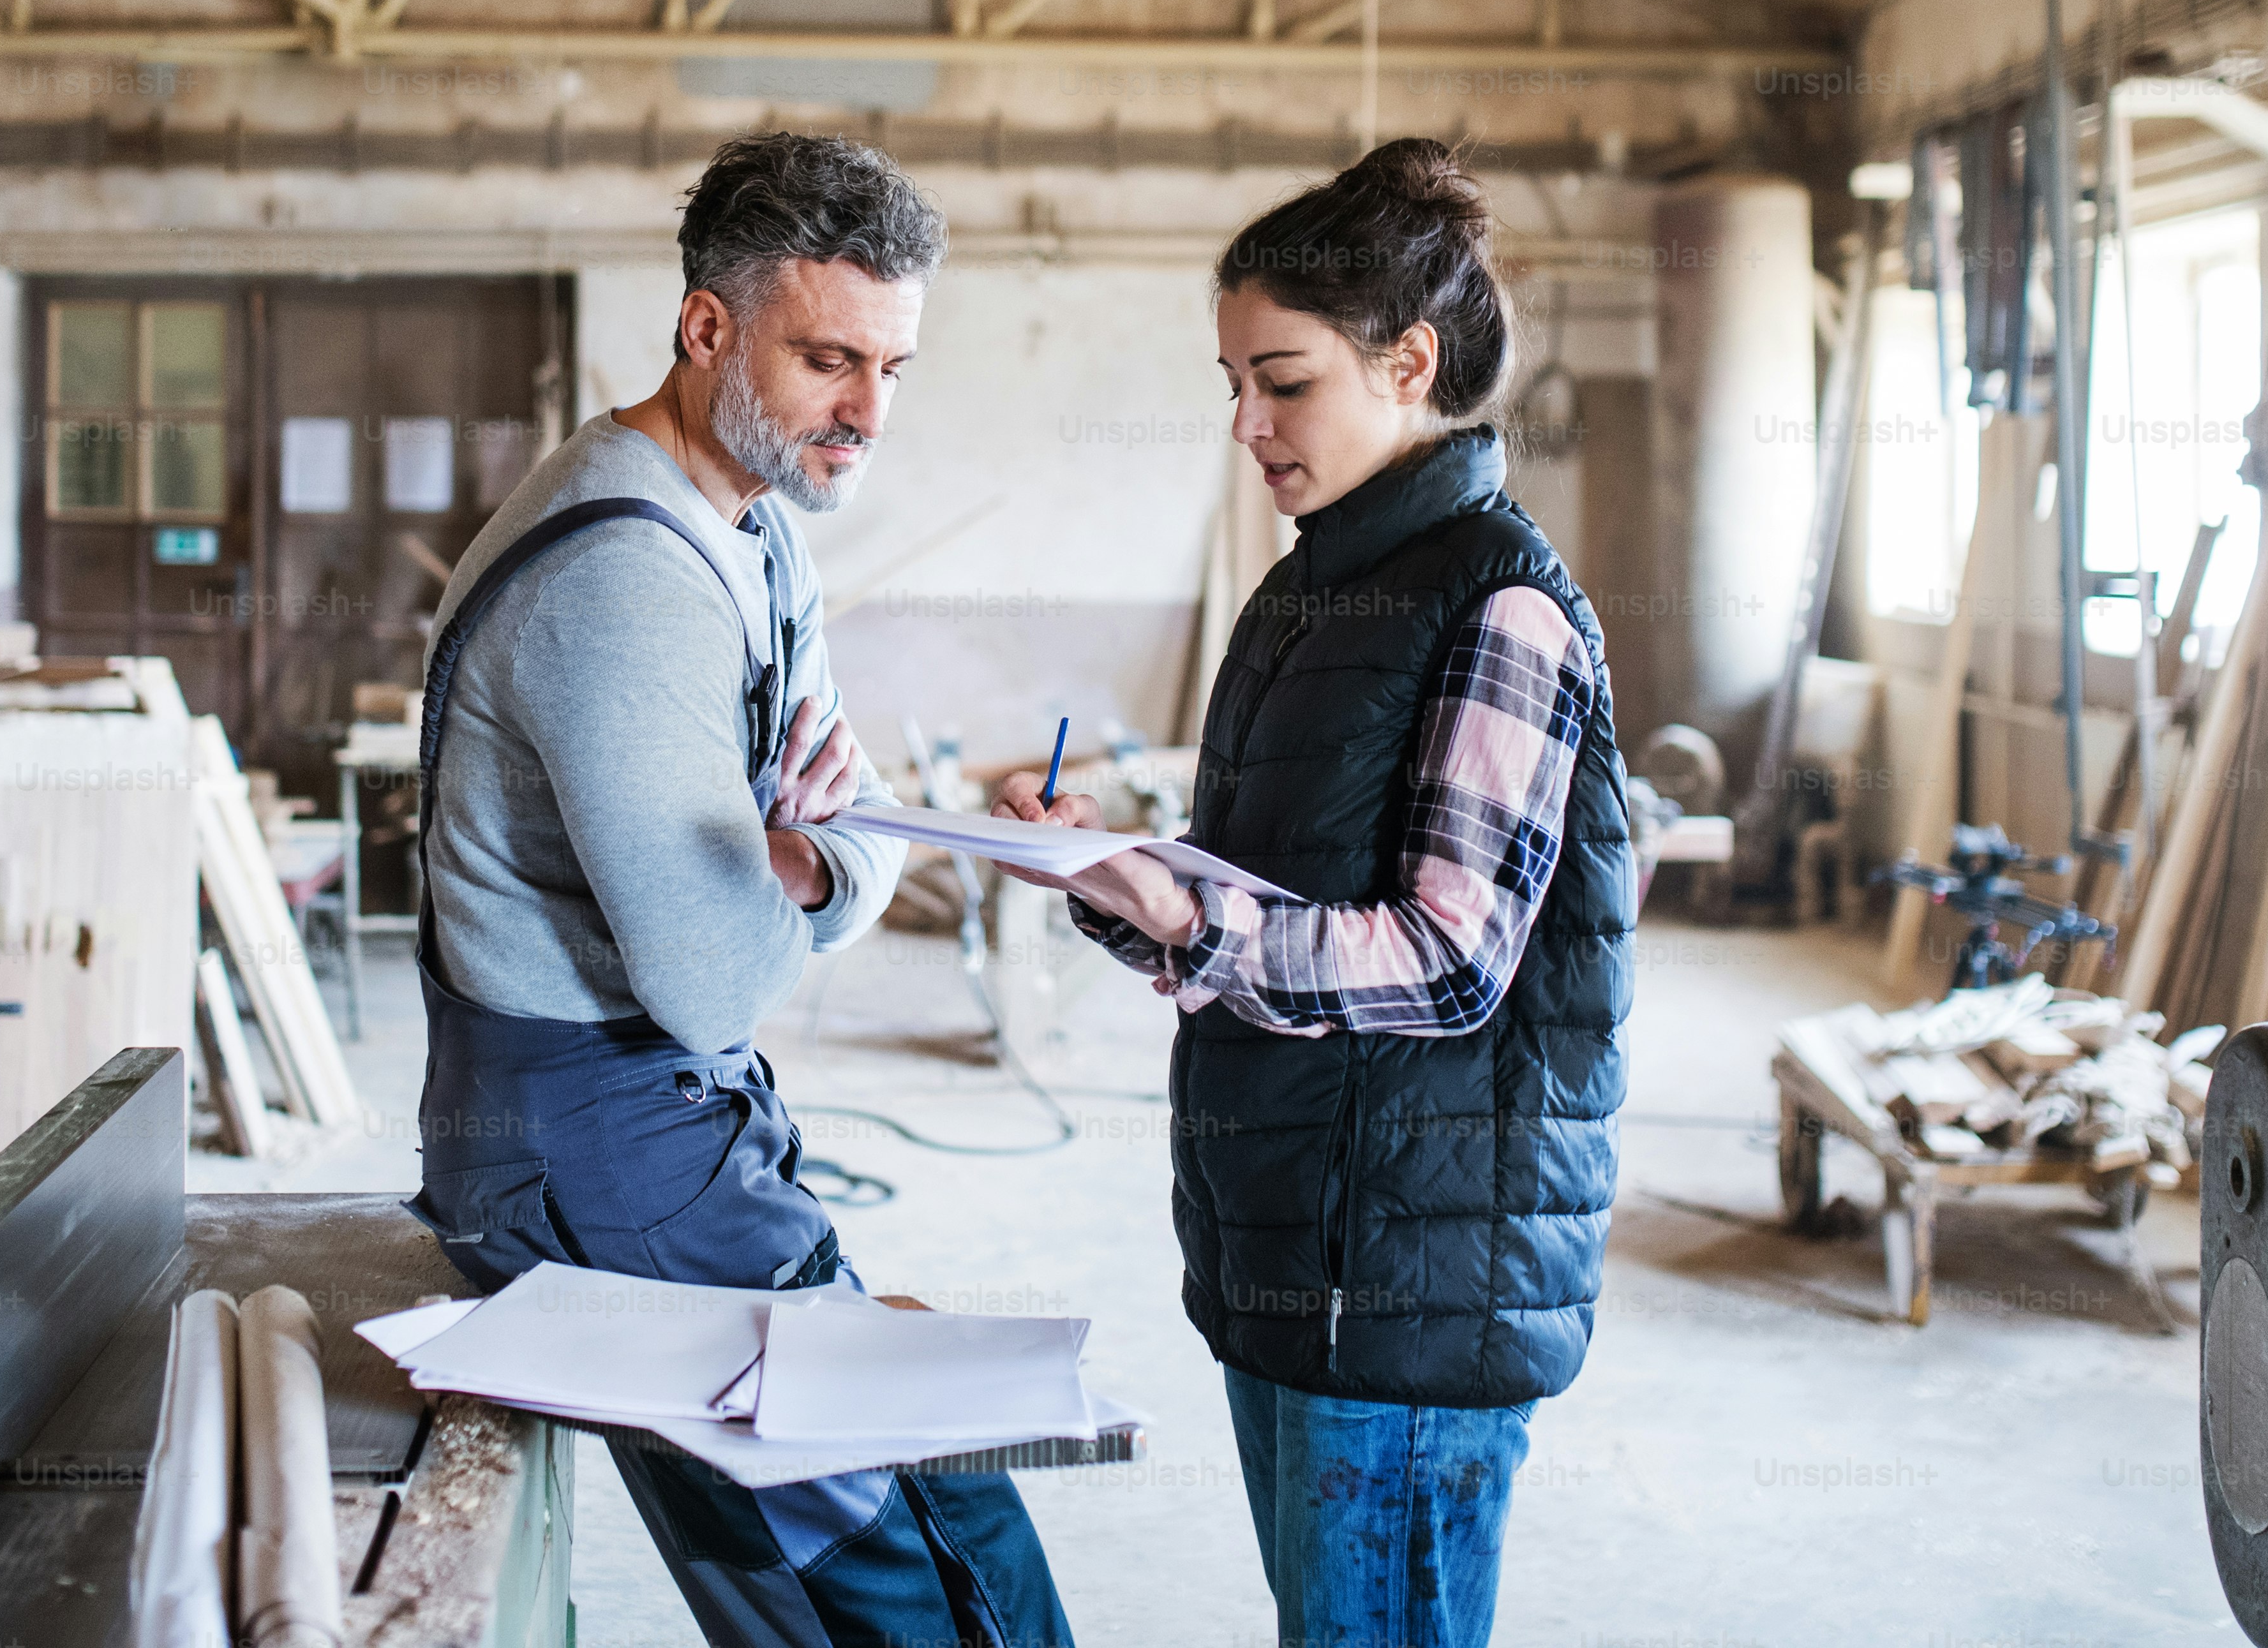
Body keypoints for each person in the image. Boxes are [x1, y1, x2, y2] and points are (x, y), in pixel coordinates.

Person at [408, 132, 1074, 1648]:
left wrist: (803, 853)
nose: (868, 414)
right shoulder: (628, 574)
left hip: (666, 1113)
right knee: (883, 1570)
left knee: (944, 1483)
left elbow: (860, 835)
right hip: (589, 1144)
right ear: (706, 328)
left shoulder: (756, 523)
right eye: (830, 358)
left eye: (894, 368)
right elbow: (718, 974)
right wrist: (796, 852)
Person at [990, 139, 1634, 1648]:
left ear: (1408, 363)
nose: (1245, 424)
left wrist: (1188, 915)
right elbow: (1260, 902)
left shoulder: (1503, 604)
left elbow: (1446, 959)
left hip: (1408, 1287)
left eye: (1283, 382)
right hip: (1293, 1253)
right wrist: (1116, 879)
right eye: (1234, 384)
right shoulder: (1310, 590)